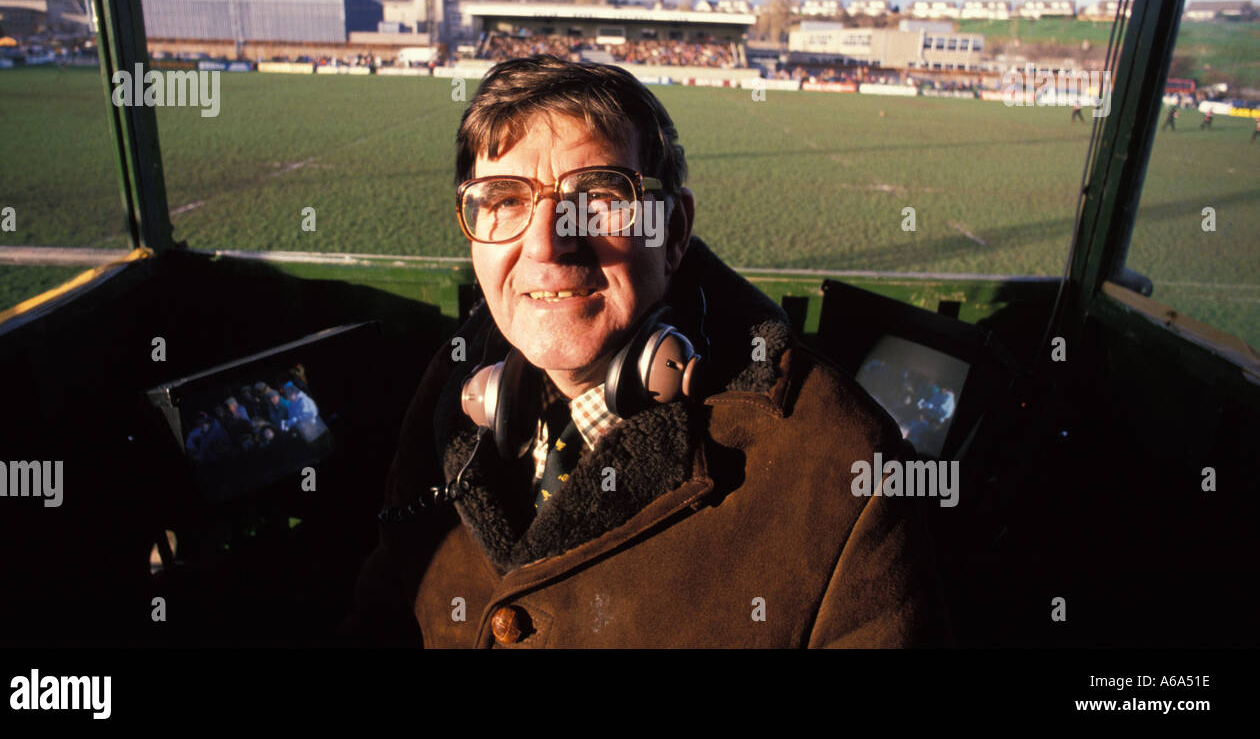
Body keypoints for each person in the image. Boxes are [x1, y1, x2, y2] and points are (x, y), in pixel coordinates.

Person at [349, 55, 950, 648]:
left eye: (599, 196)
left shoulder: (841, 466)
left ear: (674, 232)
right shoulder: (449, 387)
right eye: (505, 200)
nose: (546, 246)